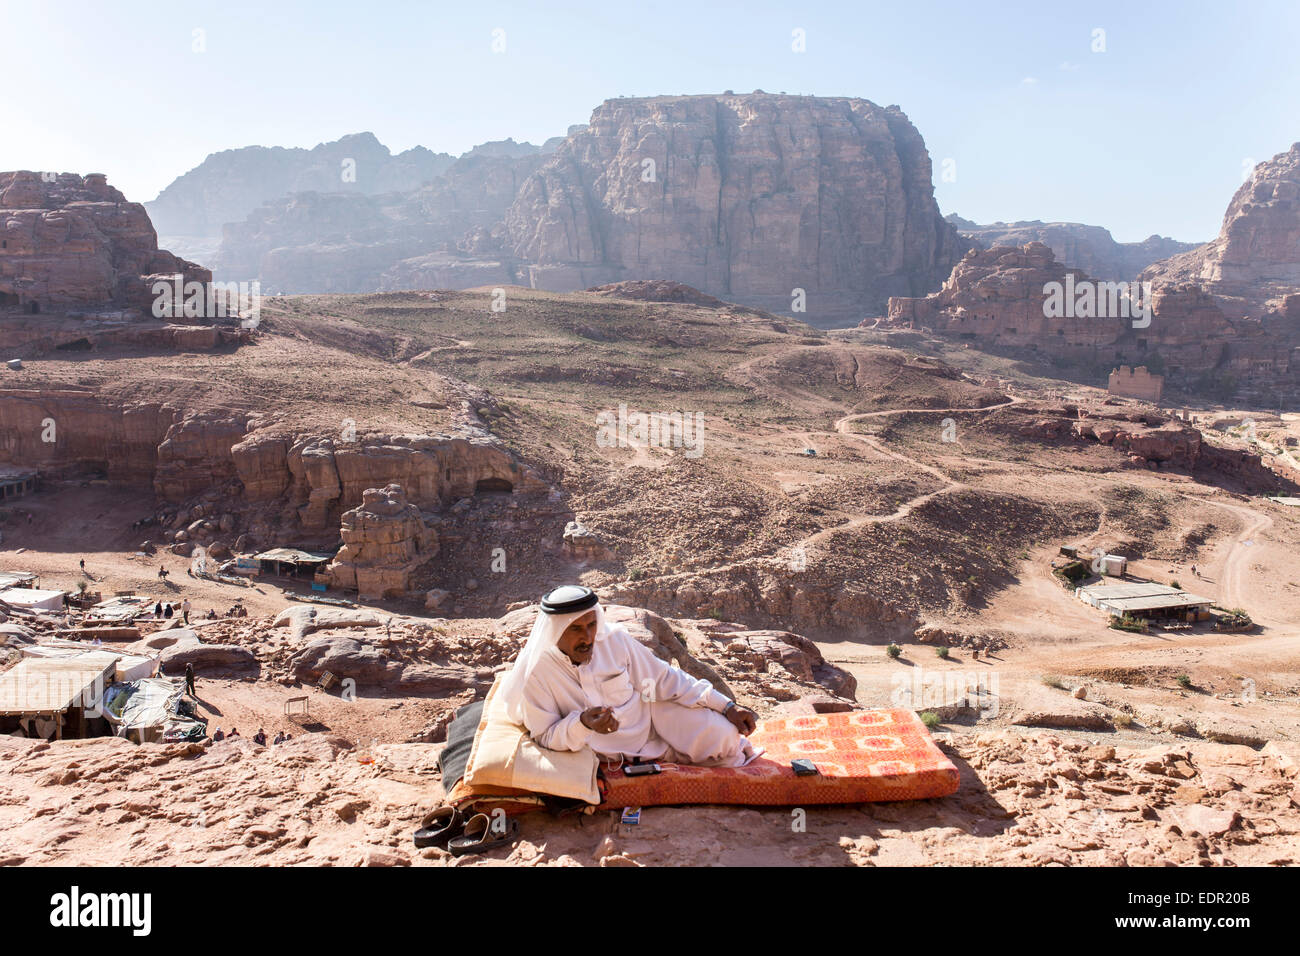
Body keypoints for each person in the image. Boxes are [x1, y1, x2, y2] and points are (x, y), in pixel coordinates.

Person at [499, 585, 760, 768]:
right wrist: (583, 723)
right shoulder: (539, 673)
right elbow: (545, 736)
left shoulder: (614, 641)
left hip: (652, 722)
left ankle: (674, 752)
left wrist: (726, 706)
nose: (588, 638)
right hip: (604, 751)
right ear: (556, 631)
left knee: (725, 737)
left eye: (591, 625)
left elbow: (665, 679)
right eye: (576, 629)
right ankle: (672, 756)